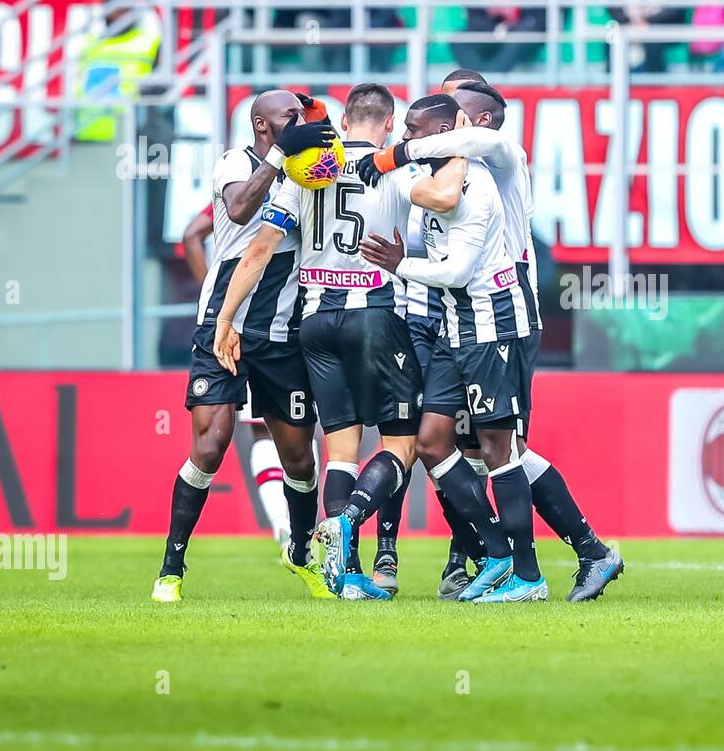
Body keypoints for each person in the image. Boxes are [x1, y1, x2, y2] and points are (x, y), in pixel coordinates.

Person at [358, 70, 625, 601]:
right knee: (443, 440)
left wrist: (395, 155)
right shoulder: (445, 176)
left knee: (498, 446)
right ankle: (499, 557)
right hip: (448, 312)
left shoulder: (498, 160)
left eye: (450, 112)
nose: (435, 127)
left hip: (501, 310)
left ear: (472, 120)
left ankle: (547, 559)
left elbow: (453, 250)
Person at [212, 86, 465, 599]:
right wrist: (458, 147)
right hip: (374, 314)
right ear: (389, 125)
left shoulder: (308, 170)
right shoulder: (393, 164)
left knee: (340, 453)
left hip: (315, 322)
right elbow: (444, 197)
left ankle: (347, 577)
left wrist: (225, 318)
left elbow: (259, 250)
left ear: (344, 121)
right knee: (401, 443)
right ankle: (349, 521)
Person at [151, 91, 337, 603]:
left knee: (299, 459)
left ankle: (299, 553)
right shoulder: (238, 162)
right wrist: (280, 154)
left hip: (282, 332)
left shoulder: (308, 173)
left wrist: (318, 133)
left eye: (300, 117)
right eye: (287, 118)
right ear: (261, 123)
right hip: (223, 325)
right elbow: (237, 209)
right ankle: (171, 569)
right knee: (210, 445)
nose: (297, 124)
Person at [360, 93, 546, 603]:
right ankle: (494, 550)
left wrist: (399, 264)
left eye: (417, 132)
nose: (408, 139)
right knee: (432, 441)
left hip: (491, 322)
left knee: (498, 450)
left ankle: (528, 577)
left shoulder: (484, 178)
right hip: (452, 326)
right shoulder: (431, 176)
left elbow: (455, 272)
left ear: (449, 130)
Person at [179, 202, 297, 546]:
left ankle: (282, 525)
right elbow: (192, 235)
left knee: (268, 433)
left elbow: (192, 234)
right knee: (297, 435)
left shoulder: (243, 188)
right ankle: (293, 528)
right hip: (288, 317)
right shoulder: (260, 188)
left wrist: (215, 294)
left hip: (242, 324)